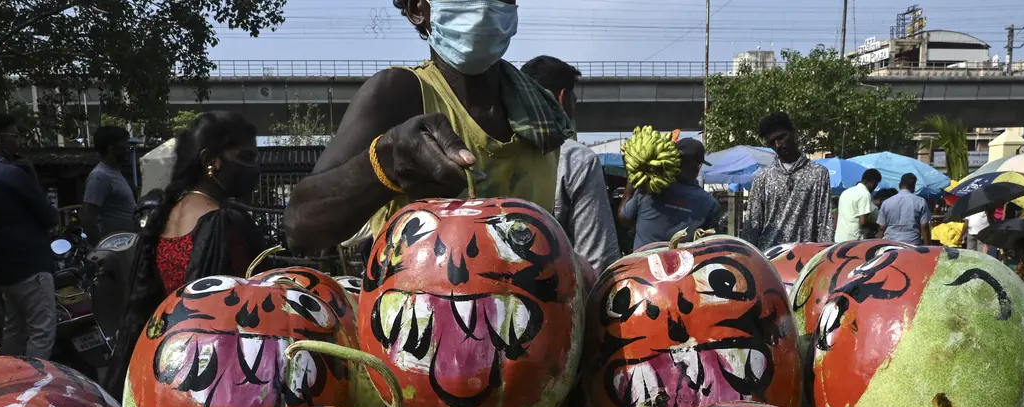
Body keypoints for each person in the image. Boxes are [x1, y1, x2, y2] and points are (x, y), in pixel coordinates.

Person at [283, 0, 573, 253]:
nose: (484, 5)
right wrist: (387, 161)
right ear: (416, 9)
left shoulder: (542, 113)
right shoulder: (396, 94)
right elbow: (300, 225)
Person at [102, 111, 263, 395]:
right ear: (210, 161)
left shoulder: (164, 218)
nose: (255, 168)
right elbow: (254, 305)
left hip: (161, 362)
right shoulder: (224, 222)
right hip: (218, 376)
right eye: (247, 158)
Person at [521, 55, 620, 274]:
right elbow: (597, 263)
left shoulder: (489, 149)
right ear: (562, 97)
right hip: (555, 302)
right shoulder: (577, 159)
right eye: (574, 100)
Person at [0, 114, 59, 358]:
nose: (19, 141)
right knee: (41, 331)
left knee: (15, 328)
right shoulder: (12, 174)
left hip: (5, 266)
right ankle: (35, 386)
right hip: (30, 263)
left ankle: (10, 377)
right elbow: (49, 215)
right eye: (15, 136)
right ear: (1, 140)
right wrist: (32, 176)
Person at [741, 112, 832, 249]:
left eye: (781, 137)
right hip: (769, 259)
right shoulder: (763, 178)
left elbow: (824, 224)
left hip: (805, 259)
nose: (778, 145)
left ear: (793, 133)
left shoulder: (818, 174)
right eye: (772, 142)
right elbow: (751, 227)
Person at [617, 138, 720, 249]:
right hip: (682, 265)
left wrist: (631, 182)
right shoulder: (709, 203)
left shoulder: (650, 189)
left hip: (642, 264)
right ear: (699, 165)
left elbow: (624, 219)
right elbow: (710, 245)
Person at [81, 125, 137, 240]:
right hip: (114, 250)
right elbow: (88, 218)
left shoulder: (116, 173)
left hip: (125, 246)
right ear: (111, 147)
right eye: (124, 145)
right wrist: (101, 248)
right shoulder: (100, 176)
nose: (127, 149)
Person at [877, 173, 932, 246]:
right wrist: (928, 246)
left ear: (900, 185)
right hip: (912, 244)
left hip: (891, 244)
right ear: (913, 187)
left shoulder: (886, 203)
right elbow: (924, 227)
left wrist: (877, 244)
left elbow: (881, 228)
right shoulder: (920, 202)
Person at [834, 169, 882, 242]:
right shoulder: (865, 194)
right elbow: (863, 222)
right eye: (876, 184)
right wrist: (877, 227)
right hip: (853, 239)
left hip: (840, 237)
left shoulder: (846, 192)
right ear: (873, 182)